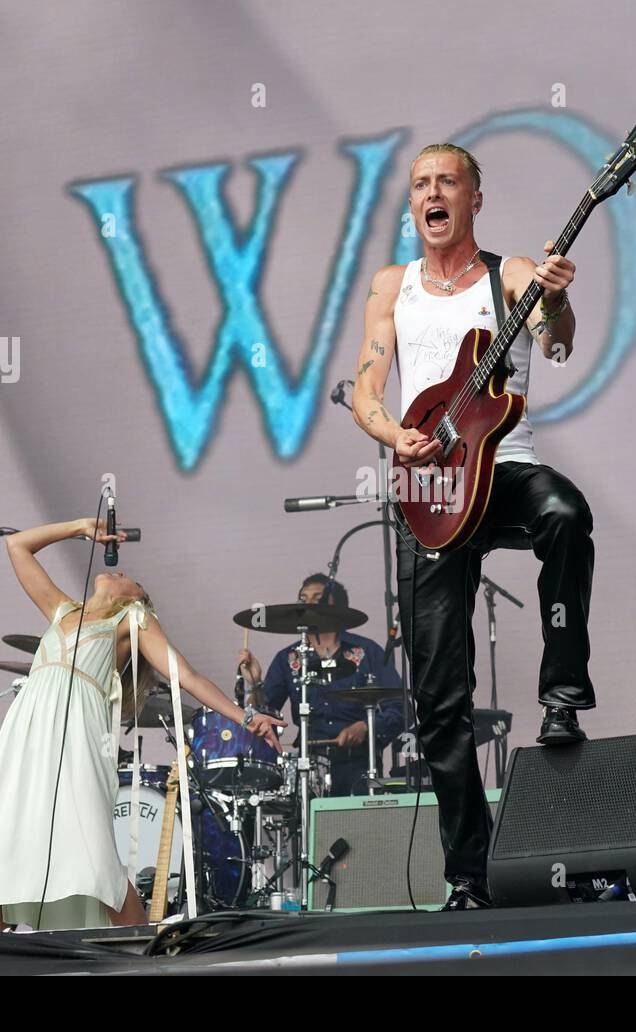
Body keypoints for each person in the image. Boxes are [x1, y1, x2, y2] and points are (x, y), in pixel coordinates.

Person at [351, 143, 596, 909]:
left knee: (566, 513)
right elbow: (366, 389)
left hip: (506, 466)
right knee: (439, 696)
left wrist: (554, 299)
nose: (432, 193)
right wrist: (396, 438)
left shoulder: (511, 275)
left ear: (473, 199)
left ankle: (562, 690)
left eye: (446, 182)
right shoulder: (391, 288)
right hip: (430, 483)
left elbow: (557, 340)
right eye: (421, 184)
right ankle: (470, 877)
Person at [0, 517, 283, 932]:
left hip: (76, 736)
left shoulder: (132, 621)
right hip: (24, 738)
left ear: (139, 600)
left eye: (132, 579)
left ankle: (144, 954)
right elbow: (17, 546)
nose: (122, 572)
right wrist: (79, 527)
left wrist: (247, 717)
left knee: (91, 852)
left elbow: (188, 676)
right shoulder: (61, 610)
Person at [236, 575, 403, 796]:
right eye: (303, 598)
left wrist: (364, 727)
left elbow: (400, 709)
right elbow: (263, 717)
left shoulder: (367, 651)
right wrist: (255, 683)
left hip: (360, 762)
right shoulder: (287, 658)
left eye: (318, 597)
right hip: (309, 763)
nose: (309, 603)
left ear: (338, 606)